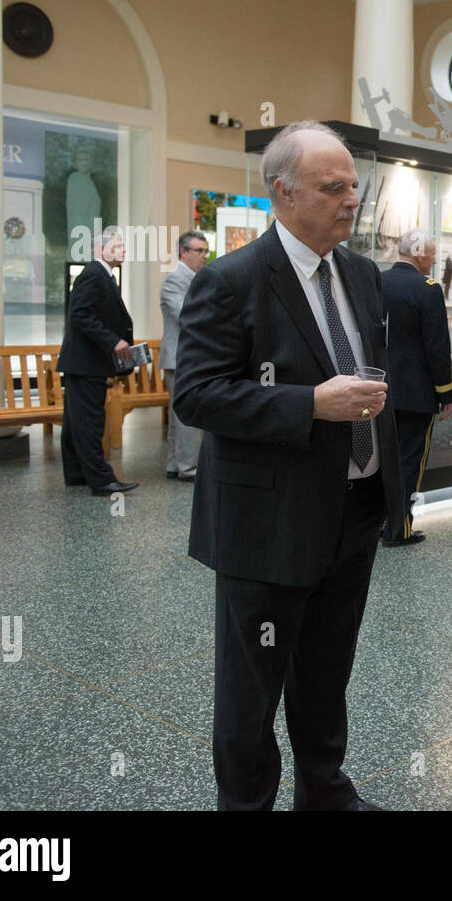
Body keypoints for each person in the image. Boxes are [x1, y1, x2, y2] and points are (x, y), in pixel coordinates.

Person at [173, 120, 404, 810]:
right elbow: (197, 394)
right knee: (251, 692)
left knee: (327, 672)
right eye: (332, 188)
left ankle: (325, 792)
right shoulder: (231, 281)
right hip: (267, 523)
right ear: (283, 193)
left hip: (353, 513)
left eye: (354, 188)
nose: (350, 201)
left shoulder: (362, 275)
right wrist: (308, 404)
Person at [380, 228, 452, 546]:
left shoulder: (376, 281)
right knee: (410, 460)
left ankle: (375, 524)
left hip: (375, 389)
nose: (435, 259)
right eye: (433, 253)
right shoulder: (428, 289)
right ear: (420, 252)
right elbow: (436, 347)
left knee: (380, 459)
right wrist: (445, 393)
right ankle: (399, 529)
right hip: (415, 394)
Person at [57, 229, 138, 496]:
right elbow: (80, 315)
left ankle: (77, 474)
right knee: (89, 423)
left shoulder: (102, 275)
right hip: (85, 364)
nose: (123, 250)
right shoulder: (94, 274)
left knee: (75, 424)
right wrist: (113, 341)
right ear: (100, 250)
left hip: (83, 364)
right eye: (117, 246)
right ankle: (102, 481)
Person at [159, 230, 209, 482]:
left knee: (177, 415)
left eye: (205, 250)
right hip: (179, 357)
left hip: (188, 357)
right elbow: (186, 316)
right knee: (186, 413)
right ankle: (188, 468)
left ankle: (174, 464)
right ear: (183, 252)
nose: (204, 256)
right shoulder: (174, 280)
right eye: (199, 251)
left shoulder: (198, 279)